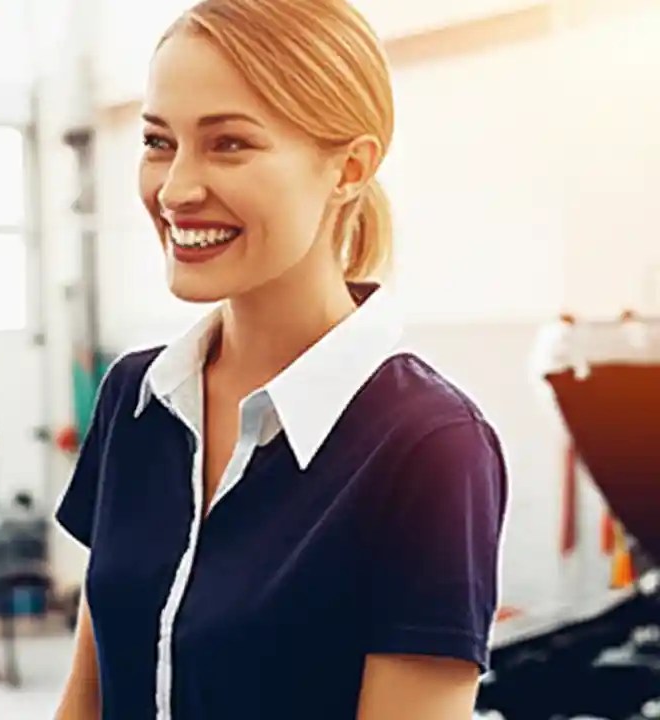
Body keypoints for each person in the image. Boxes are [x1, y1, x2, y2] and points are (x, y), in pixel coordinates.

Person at [54, 1, 508, 718]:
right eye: (158, 141)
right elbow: (87, 701)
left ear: (349, 168)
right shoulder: (134, 399)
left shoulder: (430, 445)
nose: (175, 190)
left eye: (229, 143)